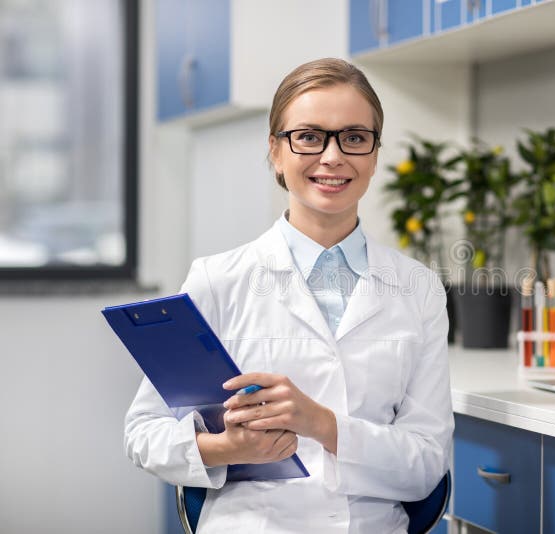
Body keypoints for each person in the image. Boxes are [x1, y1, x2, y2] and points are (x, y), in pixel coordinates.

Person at [124, 58, 454, 533]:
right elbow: (143, 434)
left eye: (355, 137)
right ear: (276, 152)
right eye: (308, 136)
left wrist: (323, 425)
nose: (333, 156)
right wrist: (226, 448)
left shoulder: (418, 290)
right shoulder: (217, 280)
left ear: (375, 155)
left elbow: (427, 463)